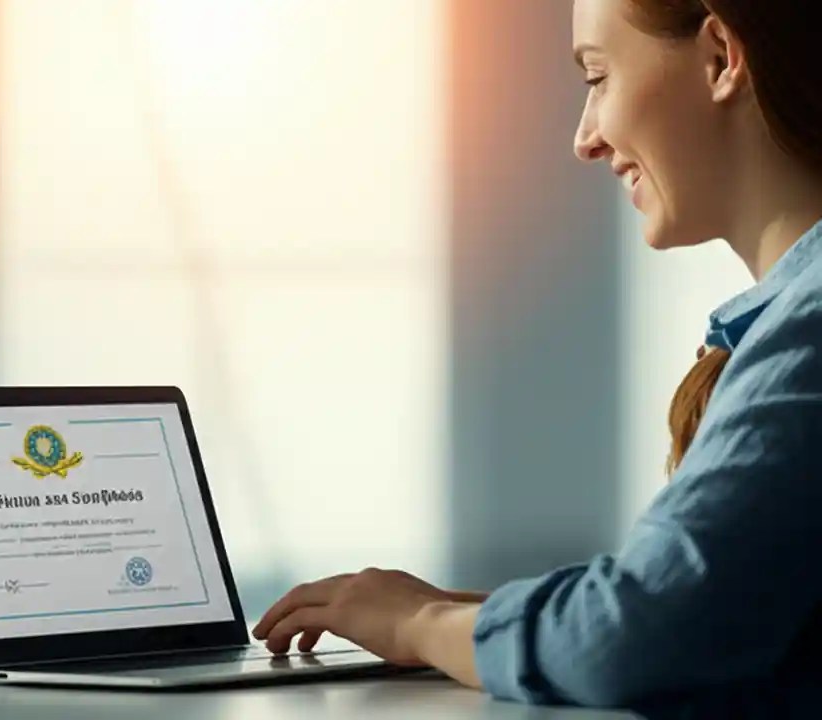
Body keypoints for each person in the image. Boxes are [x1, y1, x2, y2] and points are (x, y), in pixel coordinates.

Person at [253, 0, 822, 709]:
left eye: (597, 76)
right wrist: (481, 619)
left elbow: (637, 638)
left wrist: (420, 623)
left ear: (717, 58)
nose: (584, 139)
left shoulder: (807, 329)